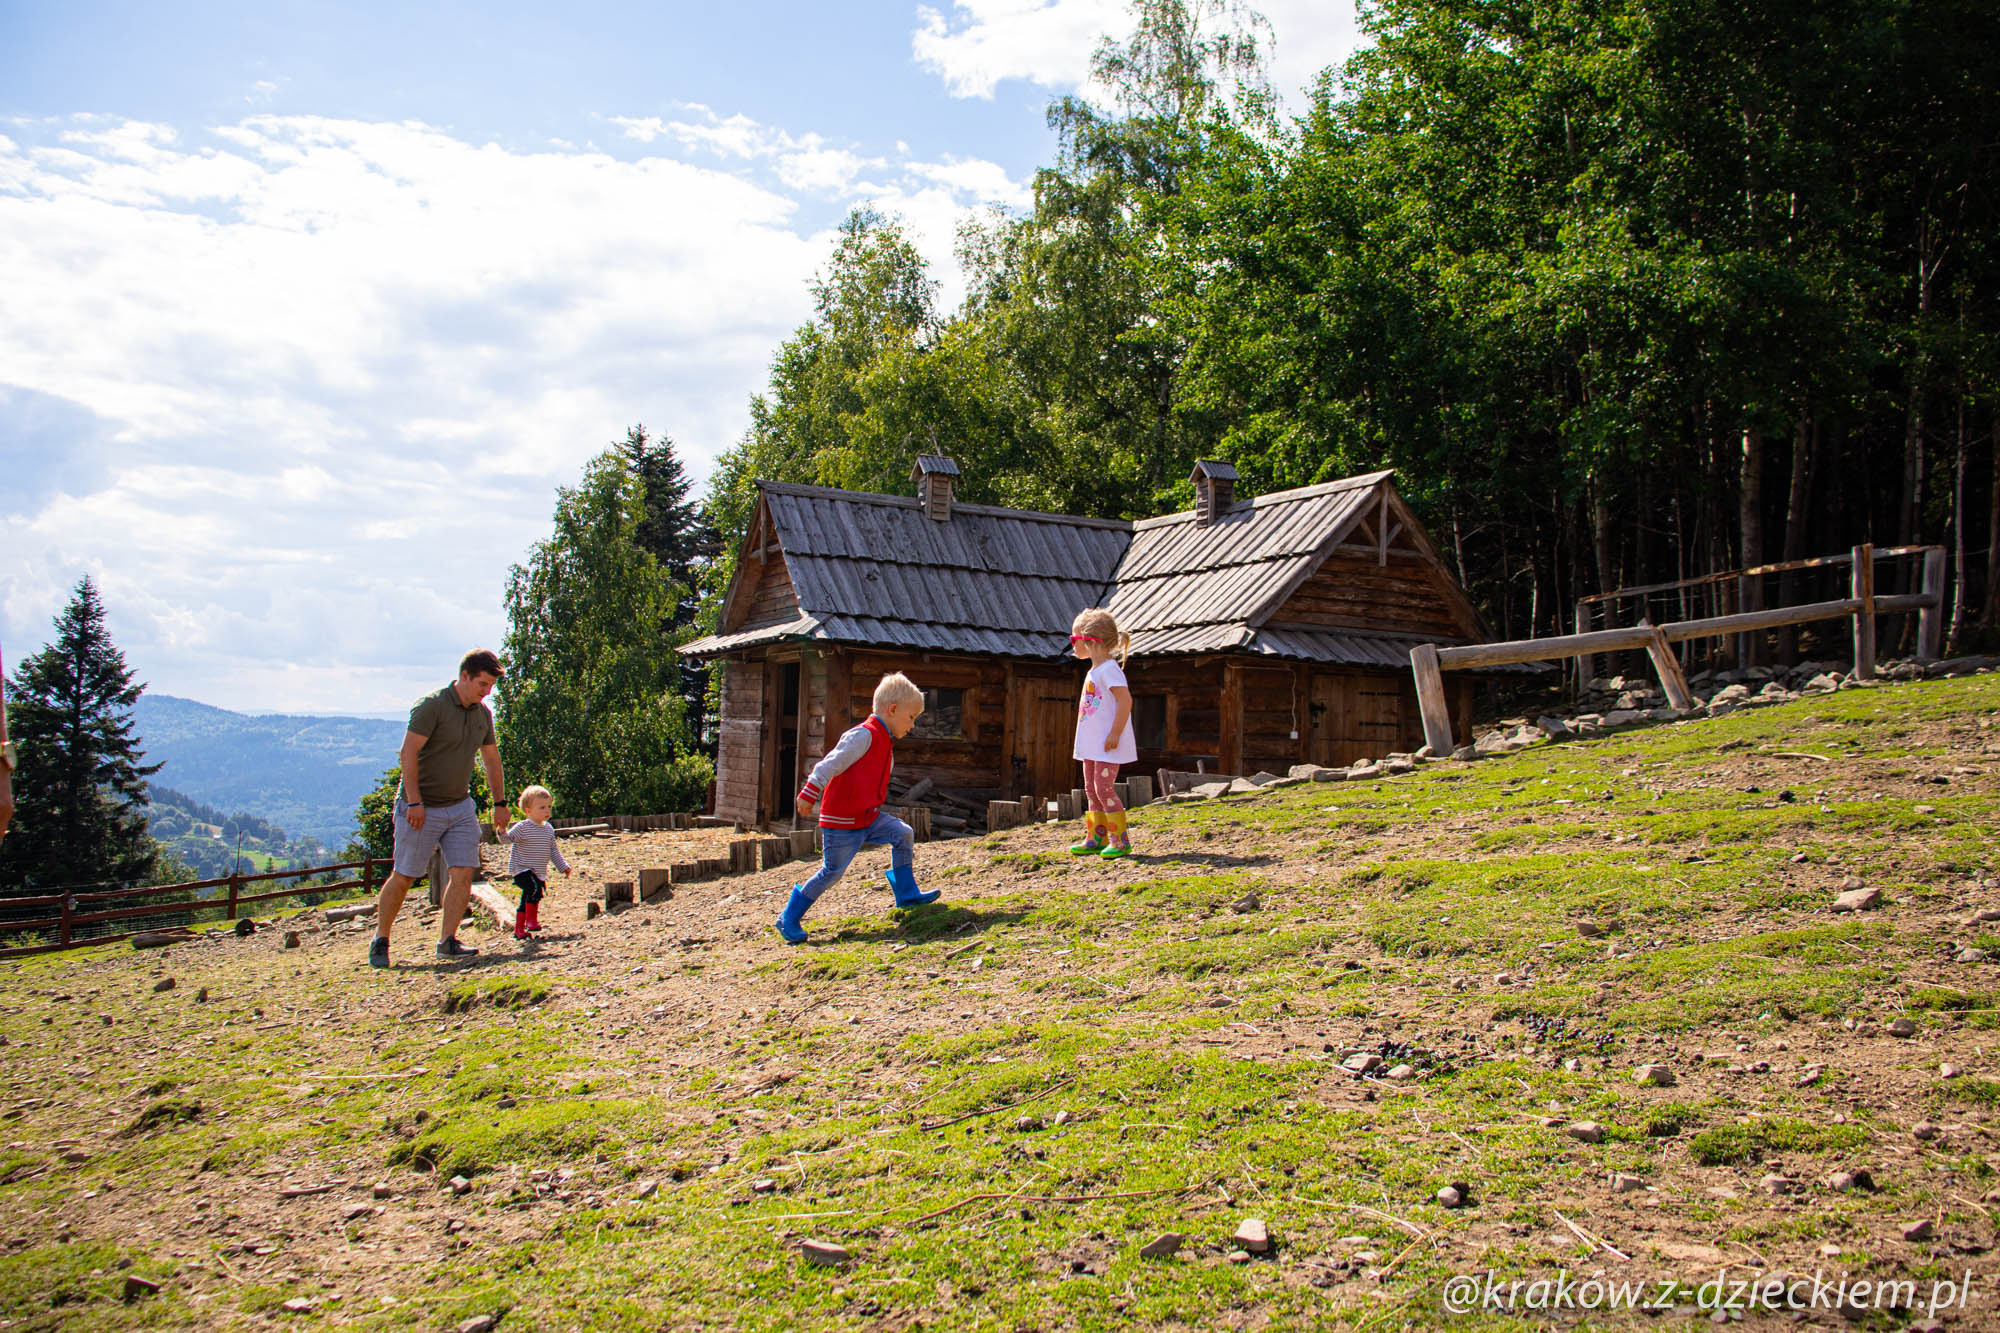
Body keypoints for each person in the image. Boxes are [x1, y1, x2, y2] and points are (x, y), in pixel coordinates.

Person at [368, 650, 510, 965]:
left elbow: (490, 759)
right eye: (482, 684)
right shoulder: (431, 707)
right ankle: (381, 939)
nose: (486, 692)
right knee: (405, 875)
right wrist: (415, 802)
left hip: (459, 806)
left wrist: (500, 803)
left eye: (490, 687)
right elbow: (408, 753)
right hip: (421, 807)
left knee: (462, 872)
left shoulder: (482, 714)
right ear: (464, 676)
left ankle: (447, 940)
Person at [777, 672, 939, 944]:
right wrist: (810, 791)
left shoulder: (885, 742)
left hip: (868, 818)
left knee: (903, 833)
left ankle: (907, 893)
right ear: (893, 709)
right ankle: (788, 918)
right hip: (841, 822)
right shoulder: (862, 736)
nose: (912, 725)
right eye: (911, 718)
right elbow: (829, 764)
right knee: (832, 873)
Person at [1068, 608, 1136, 858]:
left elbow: (1126, 701)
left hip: (1107, 744)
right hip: (1092, 744)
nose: (1072, 645)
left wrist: (1115, 734)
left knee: (1104, 788)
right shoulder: (1094, 670)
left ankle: (1120, 840)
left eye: (1074, 640)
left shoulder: (1109, 670)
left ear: (1091, 641)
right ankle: (1095, 837)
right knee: (1090, 787)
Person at [500, 785, 570, 938]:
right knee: (531, 888)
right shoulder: (522, 827)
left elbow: (553, 850)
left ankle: (525, 925)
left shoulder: (548, 829)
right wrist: (501, 831)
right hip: (521, 869)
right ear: (528, 810)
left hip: (538, 871)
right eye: (542, 807)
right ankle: (525, 924)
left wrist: (563, 866)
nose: (547, 811)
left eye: (549, 807)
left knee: (535, 893)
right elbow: (507, 840)